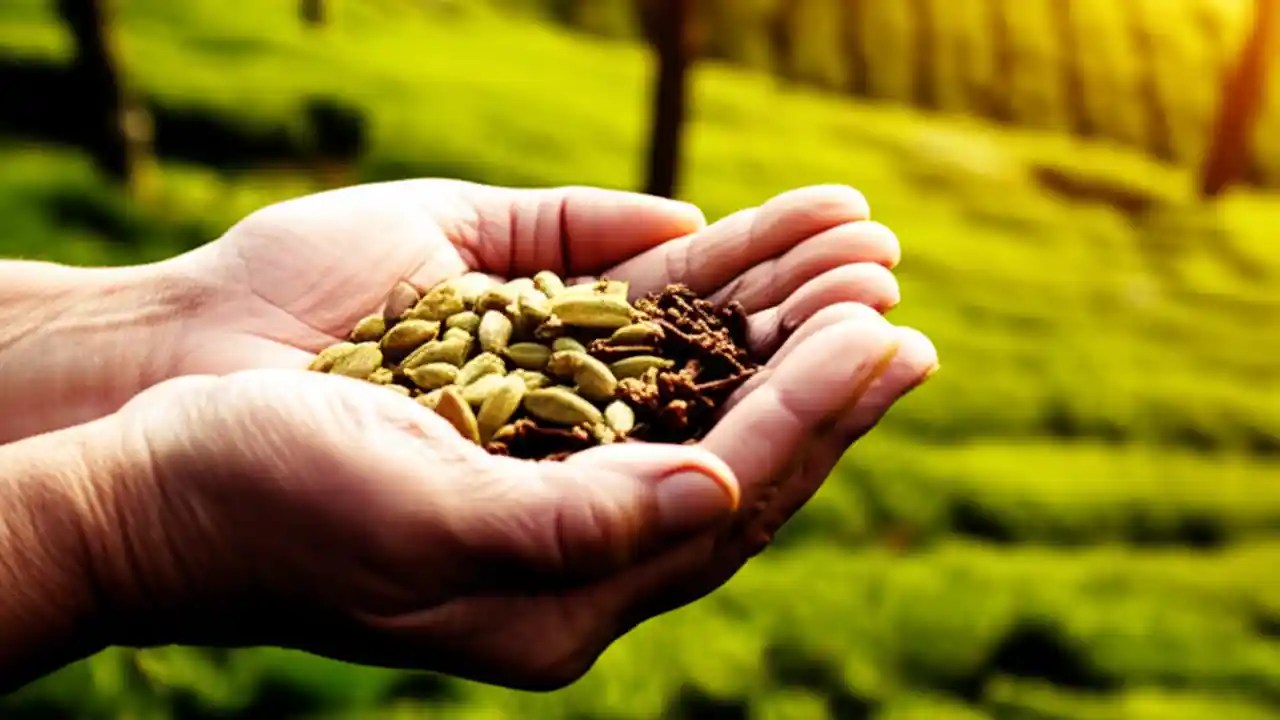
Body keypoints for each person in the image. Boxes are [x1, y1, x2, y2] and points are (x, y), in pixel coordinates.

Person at [0, 179, 937, 693]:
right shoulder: (461, 350)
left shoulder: (563, 343)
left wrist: (148, 321)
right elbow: (115, 523)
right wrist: (115, 527)